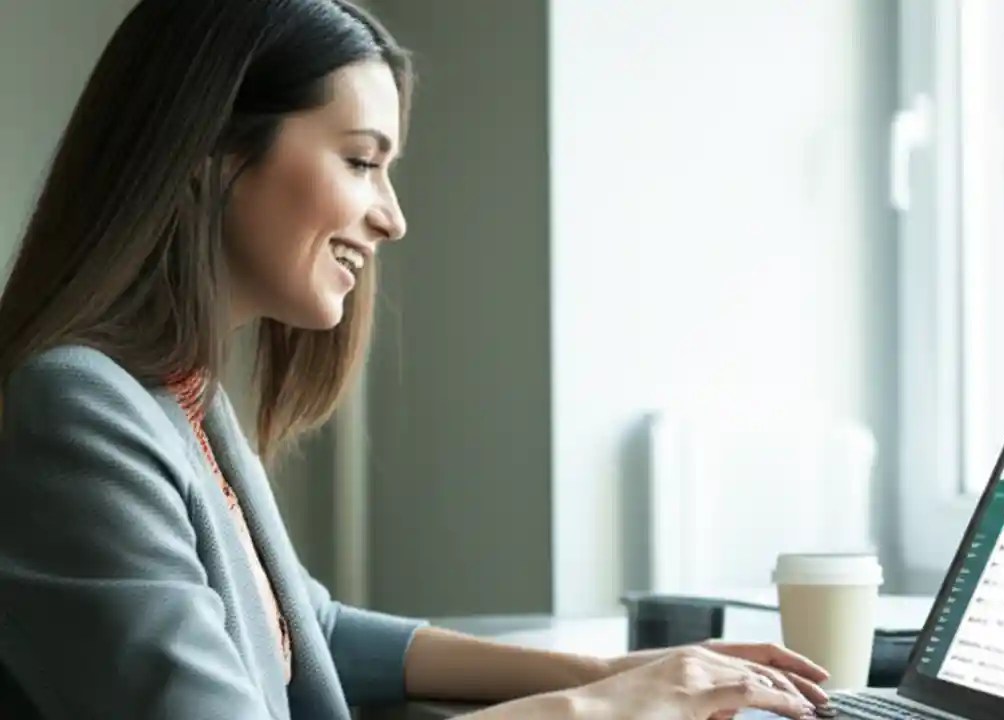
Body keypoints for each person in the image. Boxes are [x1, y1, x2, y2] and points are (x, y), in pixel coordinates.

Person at [0, 2, 831, 718]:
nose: (392, 218)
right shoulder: (76, 410)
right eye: (361, 162)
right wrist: (594, 707)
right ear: (214, 152)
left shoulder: (179, 393)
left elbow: (304, 629)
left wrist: (612, 670)